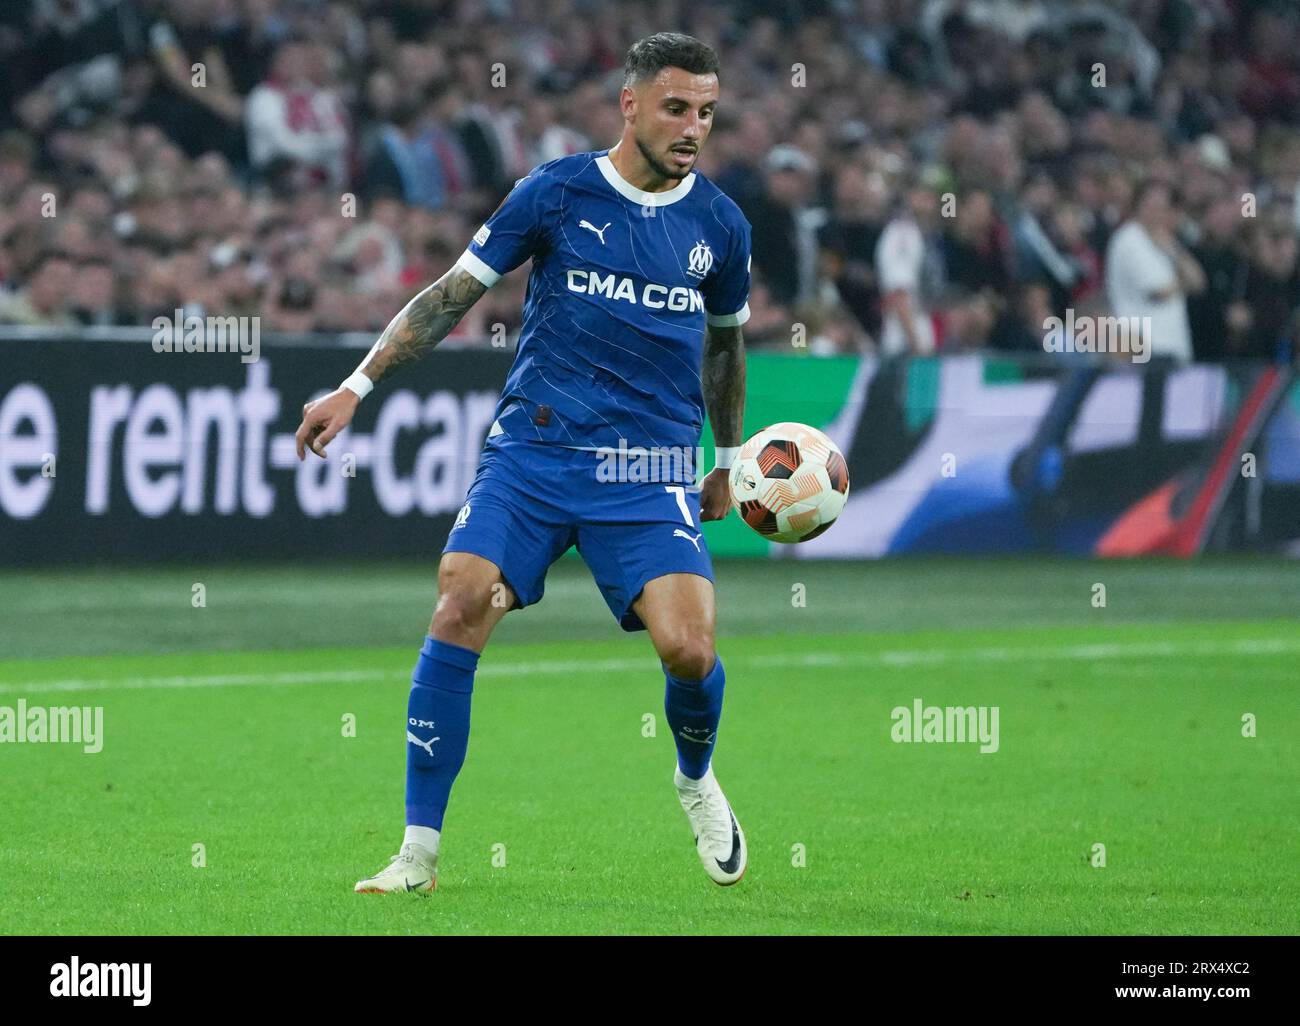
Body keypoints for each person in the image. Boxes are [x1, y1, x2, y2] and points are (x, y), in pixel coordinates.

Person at [294, 33, 751, 893]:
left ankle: (694, 778)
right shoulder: (556, 192)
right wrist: (356, 386)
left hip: (646, 469)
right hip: (535, 452)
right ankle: (417, 853)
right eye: (677, 108)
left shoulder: (720, 226)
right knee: (462, 595)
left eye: (707, 113)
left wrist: (724, 457)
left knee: (690, 651)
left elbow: (726, 353)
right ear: (630, 104)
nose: (694, 127)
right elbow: (449, 298)